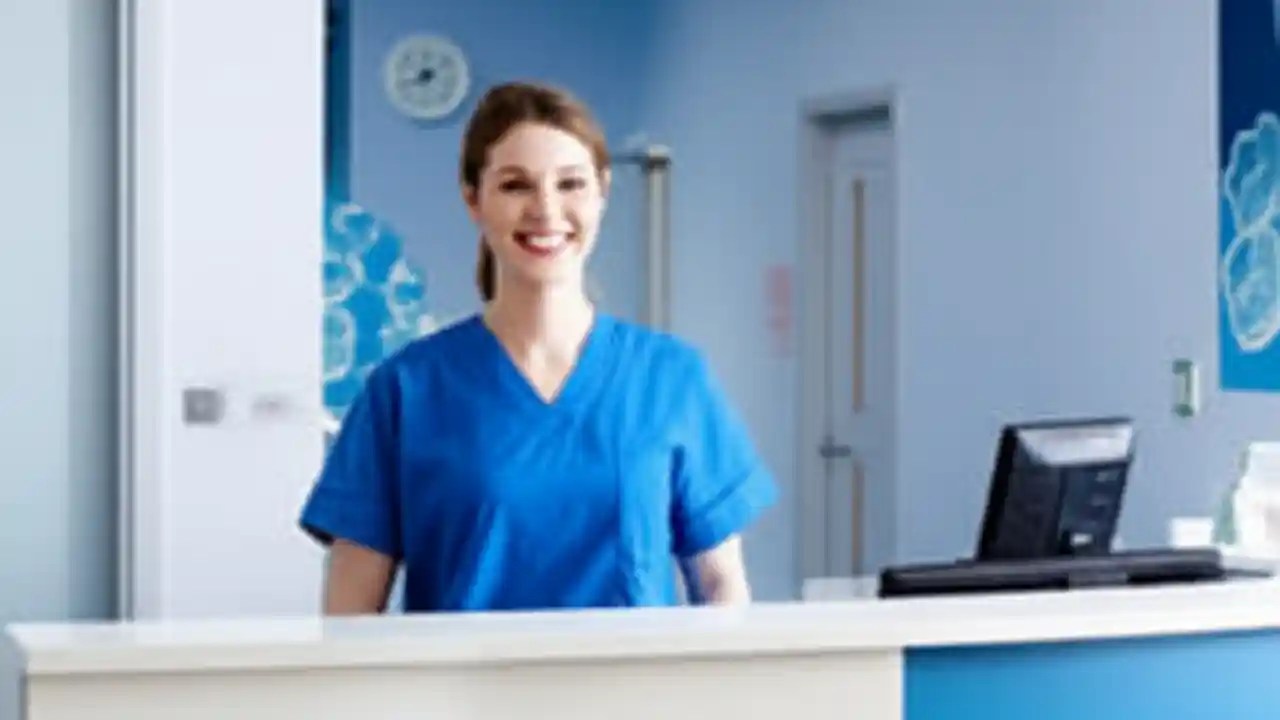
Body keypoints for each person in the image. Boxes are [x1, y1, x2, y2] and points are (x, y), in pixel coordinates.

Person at [298, 80, 776, 615]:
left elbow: (722, 592)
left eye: (570, 184)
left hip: (635, 695)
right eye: (515, 186)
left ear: (602, 193)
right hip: (458, 696)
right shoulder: (407, 391)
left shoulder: (671, 379)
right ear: (473, 199)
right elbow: (350, 615)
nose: (545, 210)